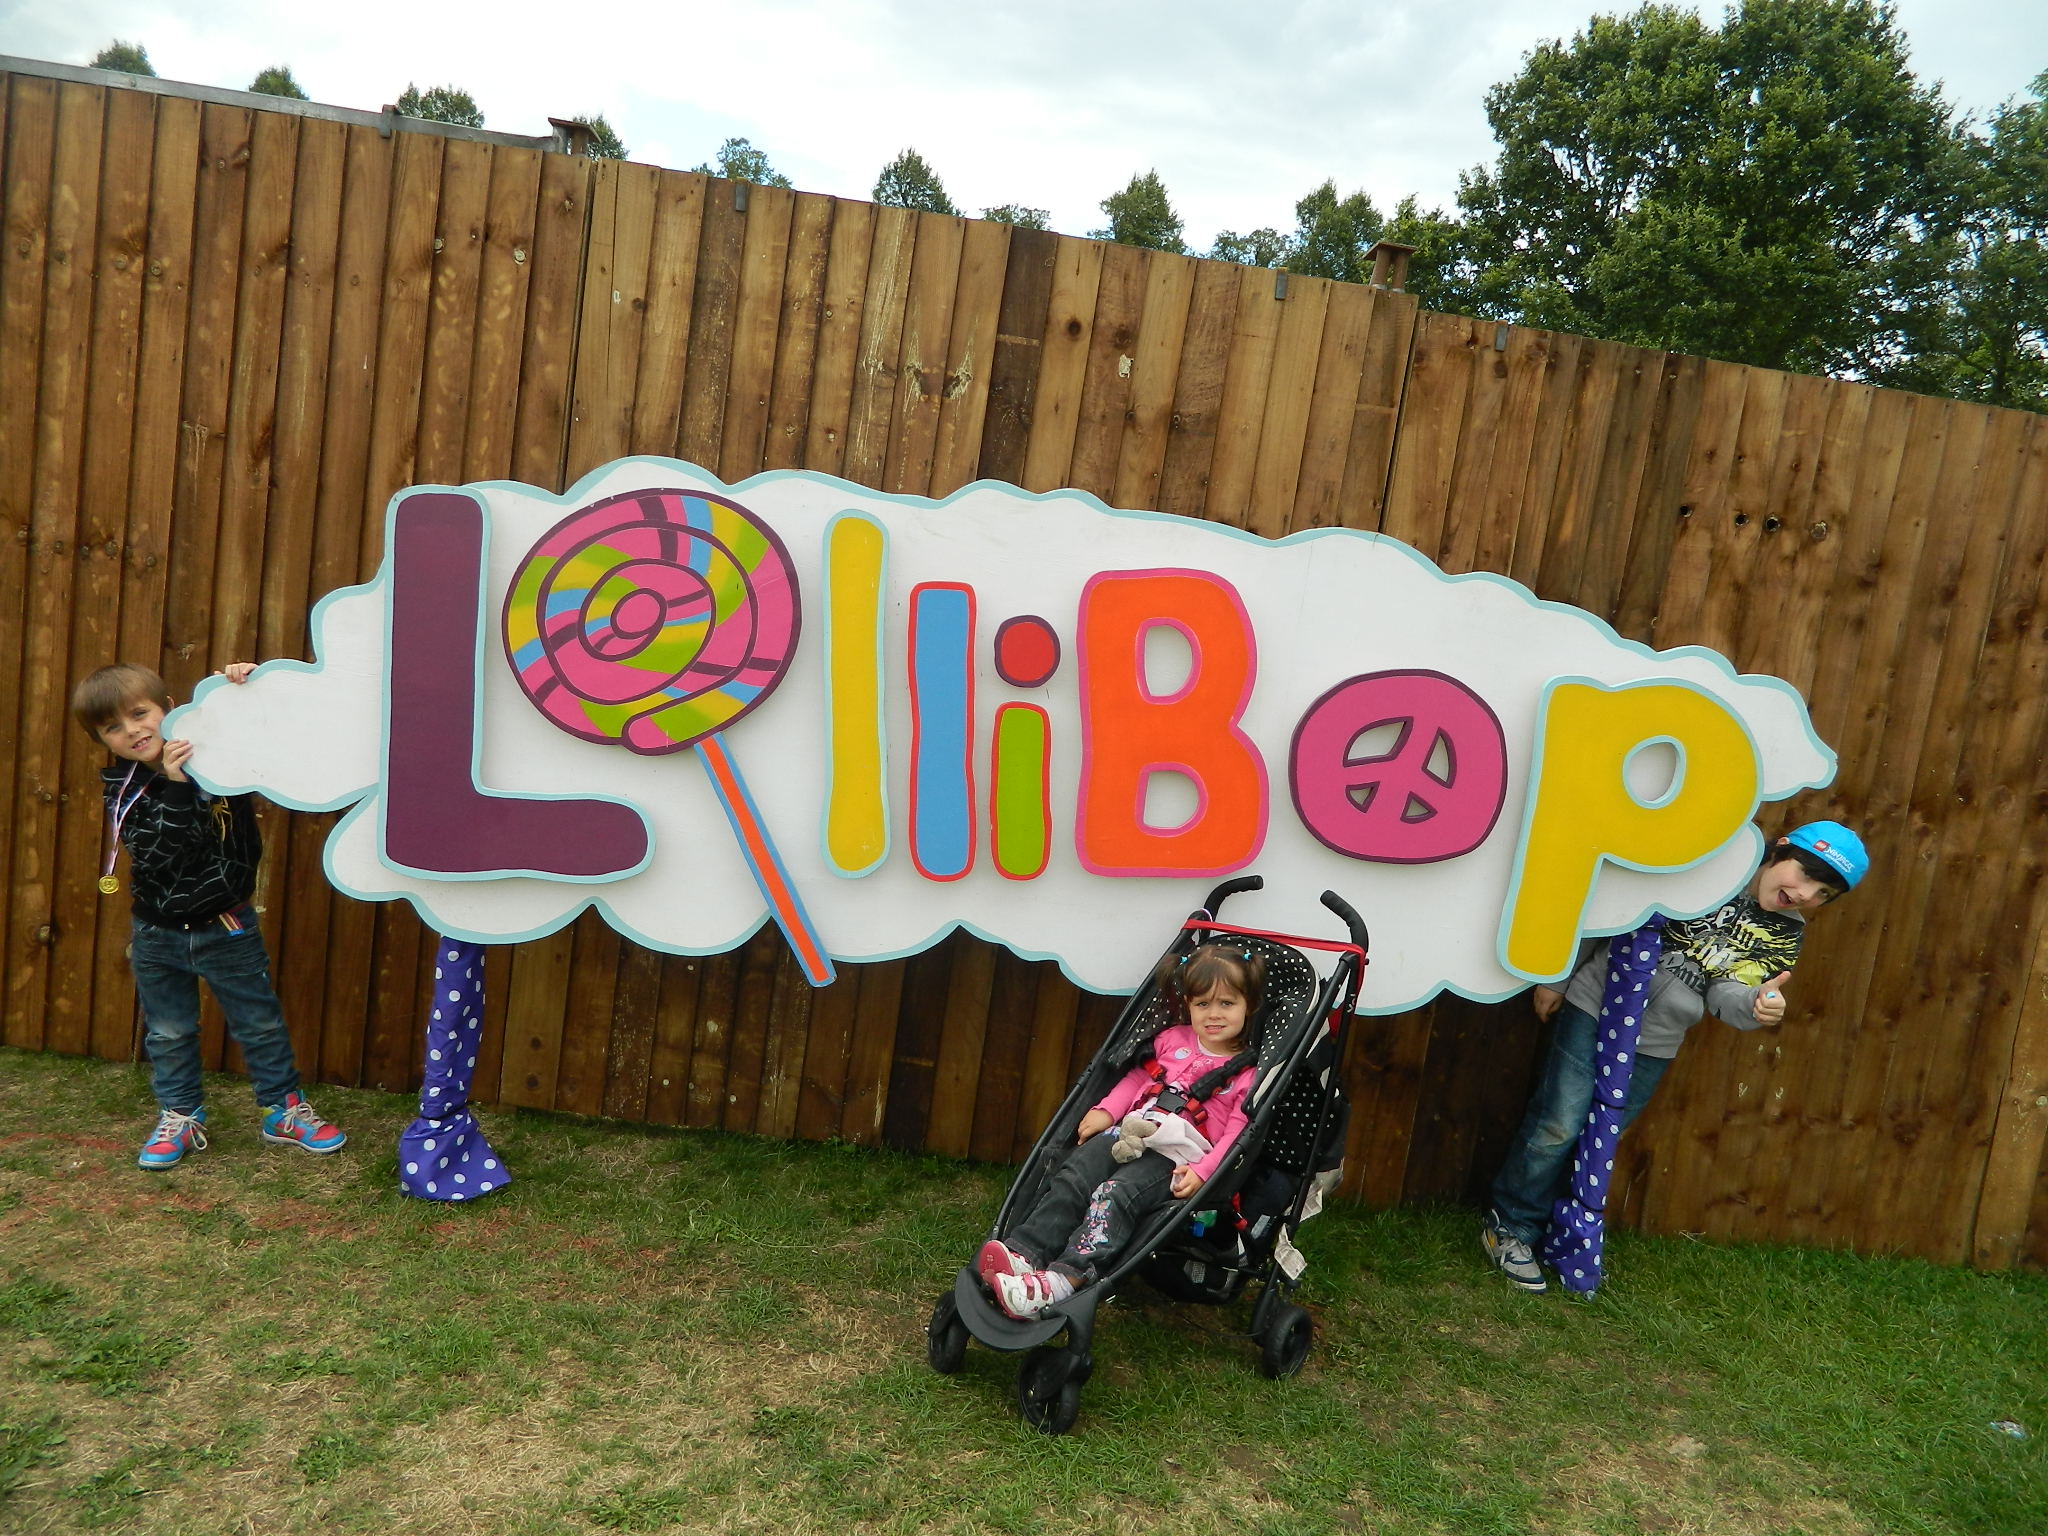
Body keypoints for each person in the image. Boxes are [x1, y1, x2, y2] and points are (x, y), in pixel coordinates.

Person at [1481, 820, 1868, 1292]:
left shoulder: (1783, 934)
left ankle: (1564, 1236)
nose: (1806, 893)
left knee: (1598, 1138)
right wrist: (1557, 977)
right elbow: (1610, 913)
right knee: (1557, 1124)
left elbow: (1728, 992)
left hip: (1656, 1043)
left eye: (1823, 893)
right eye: (1805, 875)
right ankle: (1512, 1227)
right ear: (1780, 849)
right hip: (1594, 1005)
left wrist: (1756, 1006)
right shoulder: (1707, 869)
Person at [71, 662, 346, 1169]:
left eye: (139, 714)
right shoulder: (124, 791)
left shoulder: (220, 755)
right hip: (157, 934)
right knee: (169, 1030)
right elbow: (158, 853)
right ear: (102, 740)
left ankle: (282, 1111)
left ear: (169, 709)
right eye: (113, 726)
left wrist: (248, 687)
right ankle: (181, 1115)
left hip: (227, 927)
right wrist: (175, 785)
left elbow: (274, 732)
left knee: (259, 1023)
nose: (132, 730)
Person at [976, 943, 1266, 1319]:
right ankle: (1024, 1254)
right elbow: (1135, 1079)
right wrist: (1106, 1111)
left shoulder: (1247, 1074)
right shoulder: (1171, 1040)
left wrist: (1203, 1172)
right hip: (1128, 1132)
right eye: (1202, 1004)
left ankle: (1065, 1280)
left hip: (1177, 1156)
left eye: (1227, 1004)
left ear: (1249, 1006)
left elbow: (1236, 1134)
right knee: (1075, 1175)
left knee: (1113, 1195)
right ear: (1189, 1005)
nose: (1214, 1015)